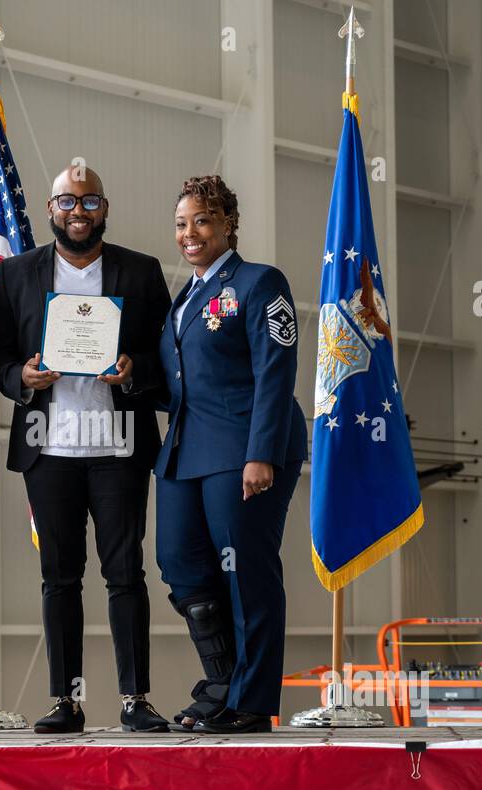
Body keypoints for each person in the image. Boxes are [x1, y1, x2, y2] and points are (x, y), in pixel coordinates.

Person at [0, 164, 172, 733]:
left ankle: (135, 699)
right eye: (67, 202)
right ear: (51, 209)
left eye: (90, 201)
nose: (78, 212)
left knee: (125, 574)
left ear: (105, 208)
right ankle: (65, 702)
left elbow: (169, 355)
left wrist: (135, 370)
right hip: (49, 449)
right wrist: (21, 377)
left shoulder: (141, 271)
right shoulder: (16, 273)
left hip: (119, 446)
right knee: (59, 577)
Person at [155, 175, 307, 733]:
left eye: (202, 220)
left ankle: (251, 701)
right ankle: (222, 685)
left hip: (245, 446)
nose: (189, 233)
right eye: (181, 223)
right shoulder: (185, 296)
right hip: (186, 449)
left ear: (227, 224)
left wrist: (261, 452)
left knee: (245, 572)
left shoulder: (259, 282)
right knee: (179, 562)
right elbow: (181, 379)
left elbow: (276, 370)